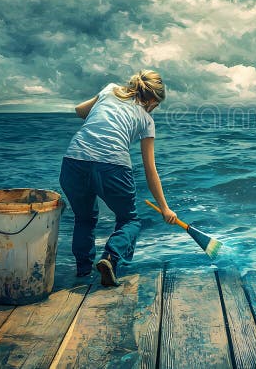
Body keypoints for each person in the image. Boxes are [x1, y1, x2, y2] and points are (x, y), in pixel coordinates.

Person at [59, 69, 177, 287]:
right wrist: (165, 208)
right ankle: (111, 258)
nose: (155, 109)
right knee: (130, 220)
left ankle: (83, 272)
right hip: (112, 167)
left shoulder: (110, 89)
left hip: (73, 161)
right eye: (156, 104)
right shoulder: (147, 120)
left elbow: (79, 111)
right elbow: (150, 169)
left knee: (84, 218)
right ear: (151, 99)